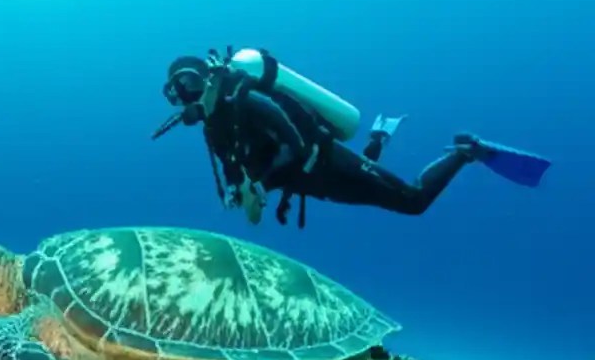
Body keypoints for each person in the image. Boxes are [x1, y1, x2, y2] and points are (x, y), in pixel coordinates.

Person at [152, 48, 552, 228]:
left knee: (412, 202)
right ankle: (379, 135)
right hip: (314, 185)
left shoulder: (247, 100)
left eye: (188, 84)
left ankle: (467, 151)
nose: (185, 96)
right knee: (372, 176)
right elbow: (236, 171)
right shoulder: (214, 129)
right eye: (176, 92)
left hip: (322, 162)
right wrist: (239, 194)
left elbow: (293, 143)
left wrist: (262, 183)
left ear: (207, 78)